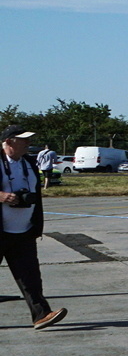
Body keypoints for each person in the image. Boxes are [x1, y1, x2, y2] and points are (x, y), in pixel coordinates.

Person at [0, 125, 67, 330]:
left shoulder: (29, 162)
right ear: (9, 142)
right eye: (23, 140)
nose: (28, 143)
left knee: (30, 277)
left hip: (24, 230)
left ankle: (42, 314)